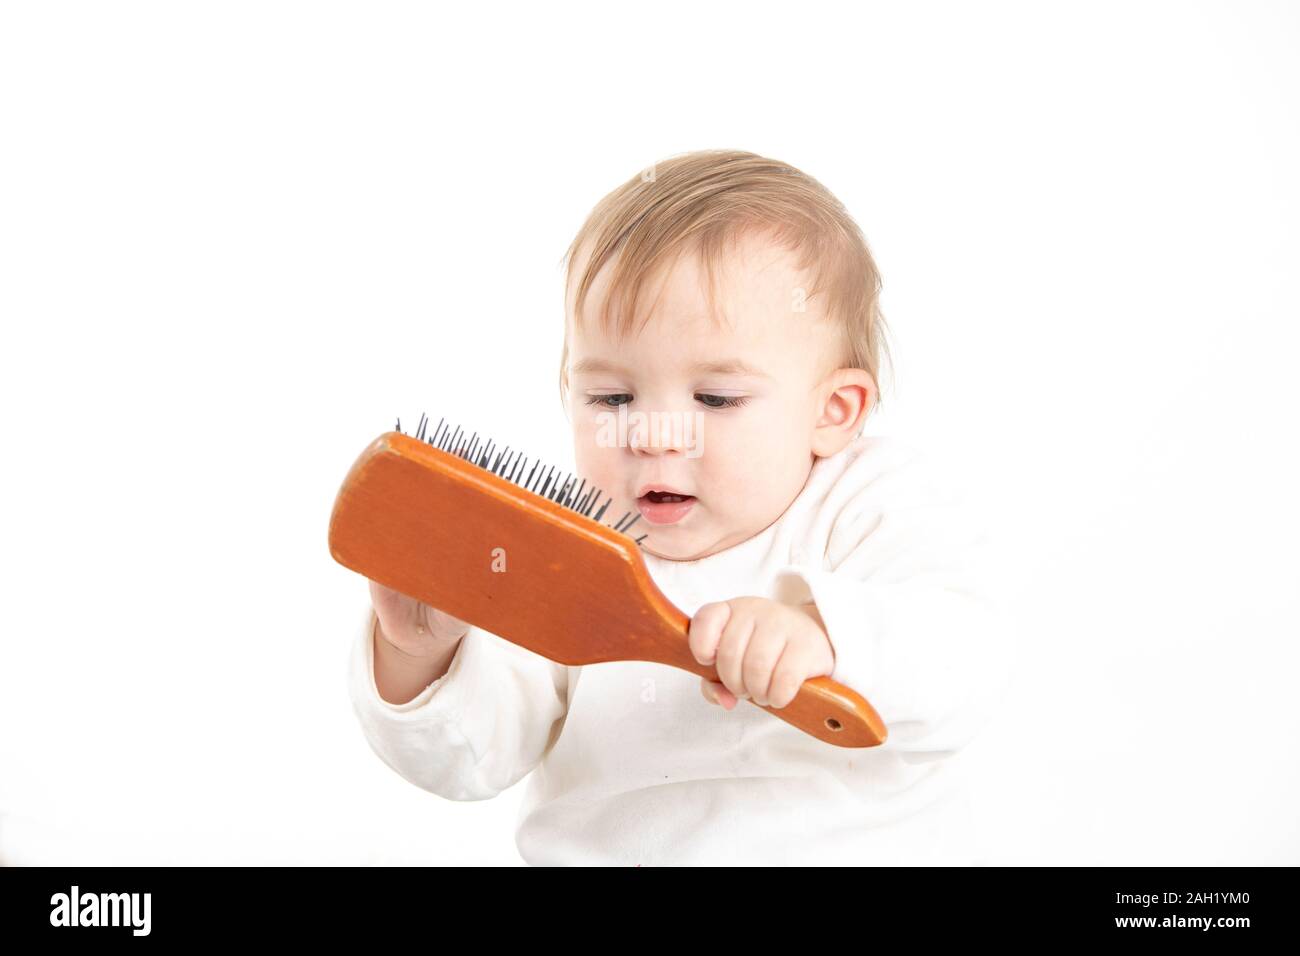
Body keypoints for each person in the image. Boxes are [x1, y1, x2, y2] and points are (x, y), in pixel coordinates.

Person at [349, 149, 1013, 865]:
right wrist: (421, 654)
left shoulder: (869, 505)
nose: (651, 434)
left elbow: (964, 662)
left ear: (833, 410)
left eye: (716, 399)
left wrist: (825, 635)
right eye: (611, 398)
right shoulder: (562, 555)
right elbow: (475, 759)